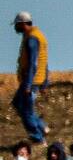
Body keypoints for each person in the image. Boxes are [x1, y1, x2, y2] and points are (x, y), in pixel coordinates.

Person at [11, 12, 48, 143]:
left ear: (23, 24)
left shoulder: (32, 39)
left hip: (30, 80)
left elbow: (34, 62)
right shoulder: (37, 35)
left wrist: (28, 84)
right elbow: (44, 61)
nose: (15, 28)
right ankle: (41, 126)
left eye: (17, 25)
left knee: (26, 112)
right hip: (34, 80)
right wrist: (45, 82)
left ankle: (38, 137)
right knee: (17, 103)